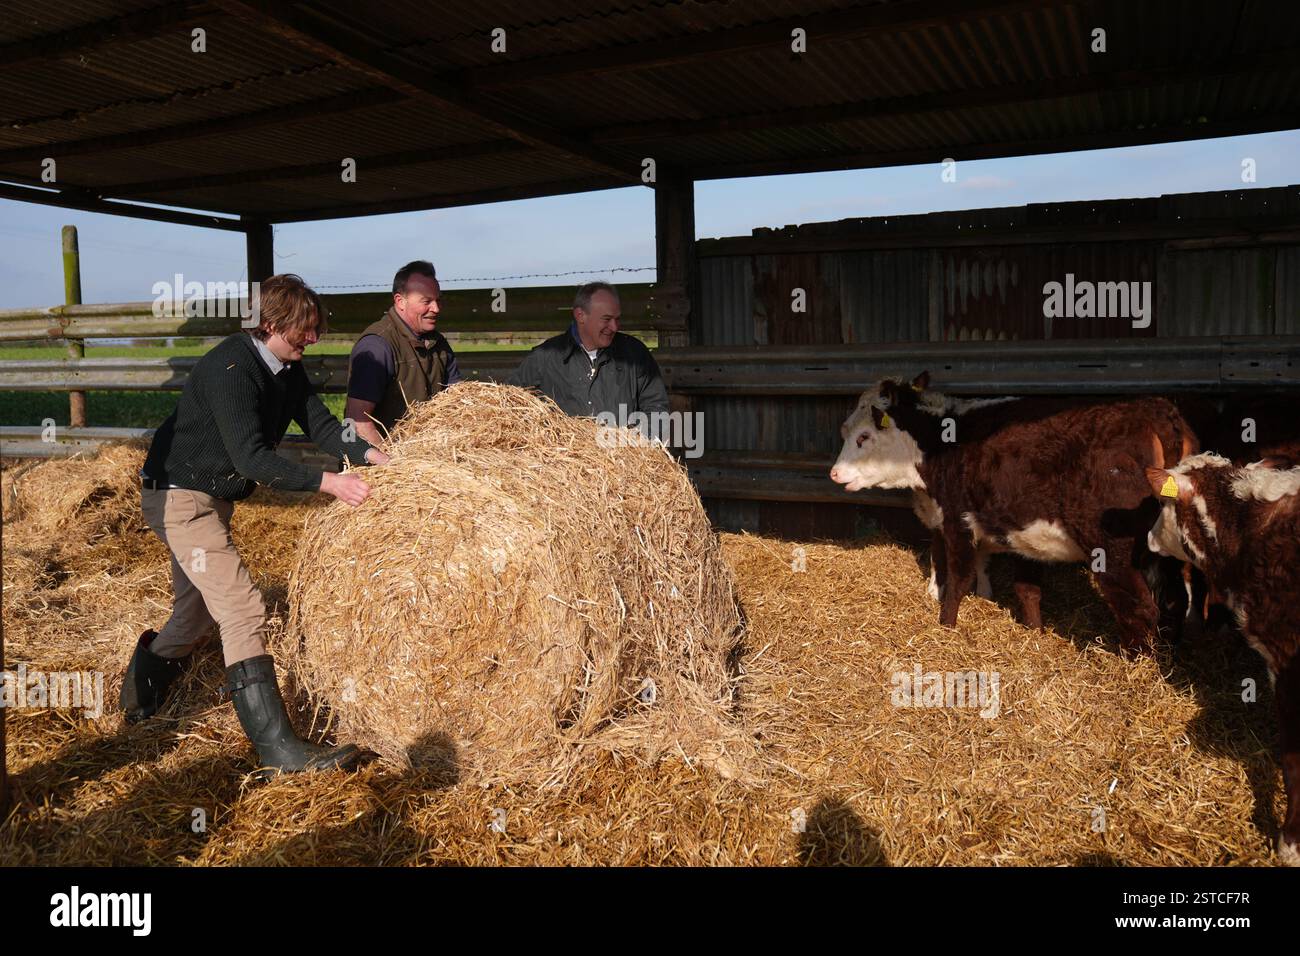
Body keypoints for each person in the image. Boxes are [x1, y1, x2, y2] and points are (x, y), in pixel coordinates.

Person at [124, 273, 390, 777]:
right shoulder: (231, 368)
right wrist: (330, 484)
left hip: (210, 500)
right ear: (269, 324)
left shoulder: (286, 369)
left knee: (197, 613)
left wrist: (375, 456)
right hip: (179, 500)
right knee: (244, 608)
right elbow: (252, 460)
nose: (311, 339)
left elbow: (326, 428)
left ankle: (139, 699)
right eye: (302, 331)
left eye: (314, 330)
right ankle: (278, 750)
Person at [509, 281, 668, 419]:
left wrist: (633, 444)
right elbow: (510, 405)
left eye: (617, 319)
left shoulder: (635, 353)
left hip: (624, 451)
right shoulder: (543, 358)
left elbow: (657, 408)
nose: (614, 327)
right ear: (580, 316)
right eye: (606, 319)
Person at [345, 260, 460, 446]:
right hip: (382, 463)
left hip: (428, 462)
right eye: (426, 301)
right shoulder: (377, 346)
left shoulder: (439, 344)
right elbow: (357, 420)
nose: (436, 308)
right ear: (400, 302)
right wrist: (393, 464)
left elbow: (457, 404)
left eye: (438, 300)